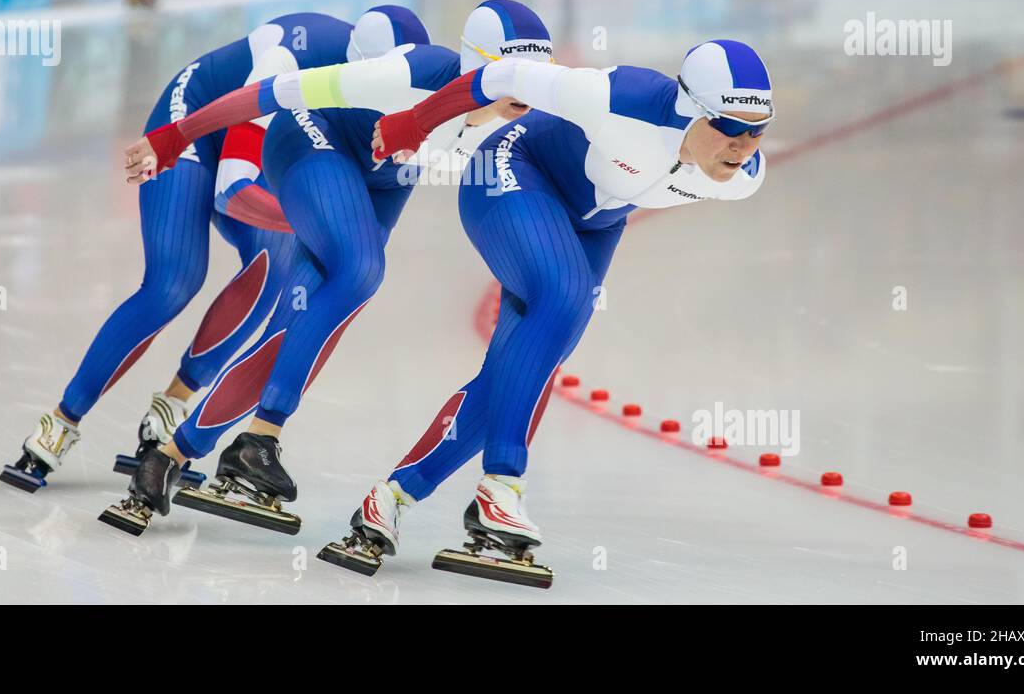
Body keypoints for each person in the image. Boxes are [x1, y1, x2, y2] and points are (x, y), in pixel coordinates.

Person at [320, 38, 773, 587]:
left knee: (524, 367)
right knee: (562, 298)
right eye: (731, 125)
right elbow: (505, 75)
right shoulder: (617, 96)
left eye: (759, 129)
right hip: (514, 170)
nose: (745, 145)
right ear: (692, 108)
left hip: (596, 221)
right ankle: (501, 487)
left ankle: (391, 498)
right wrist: (414, 123)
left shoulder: (742, 179)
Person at [103, 1, 553, 535]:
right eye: (512, 75)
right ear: (477, 66)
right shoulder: (407, 74)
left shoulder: (522, 112)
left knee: (312, 316)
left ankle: (171, 457)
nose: (528, 88)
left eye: (535, 75)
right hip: (312, 139)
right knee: (361, 268)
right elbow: (274, 94)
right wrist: (177, 135)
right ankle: (259, 440)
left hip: (386, 178)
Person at [0, 7, 427, 493]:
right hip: (197, 124)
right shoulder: (290, 56)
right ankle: (62, 420)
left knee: (274, 265)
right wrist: (326, 223)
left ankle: (172, 405)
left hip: (278, 137)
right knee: (174, 281)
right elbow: (233, 190)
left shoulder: (412, 86)